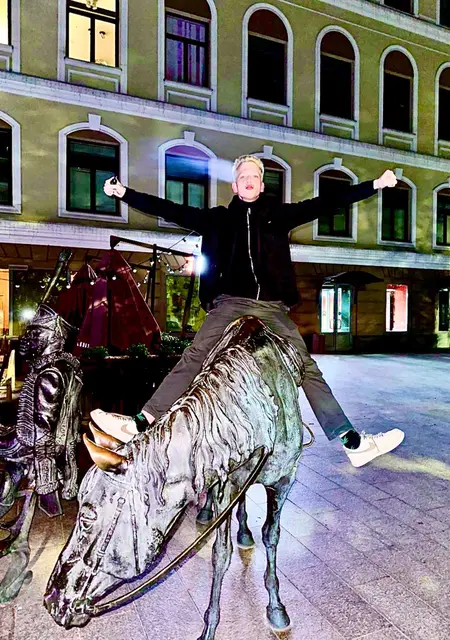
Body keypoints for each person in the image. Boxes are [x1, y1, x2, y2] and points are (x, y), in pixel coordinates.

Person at [91, 155, 404, 468]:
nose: (249, 180)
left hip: (273, 307)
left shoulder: (279, 216)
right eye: (243, 176)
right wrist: (125, 193)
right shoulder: (218, 219)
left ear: (262, 184)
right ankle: (139, 424)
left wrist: (374, 185)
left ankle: (353, 443)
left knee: (306, 367)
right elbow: (171, 209)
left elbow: (327, 202)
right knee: (195, 354)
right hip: (231, 303)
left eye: (254, 176)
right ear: (235, 185)